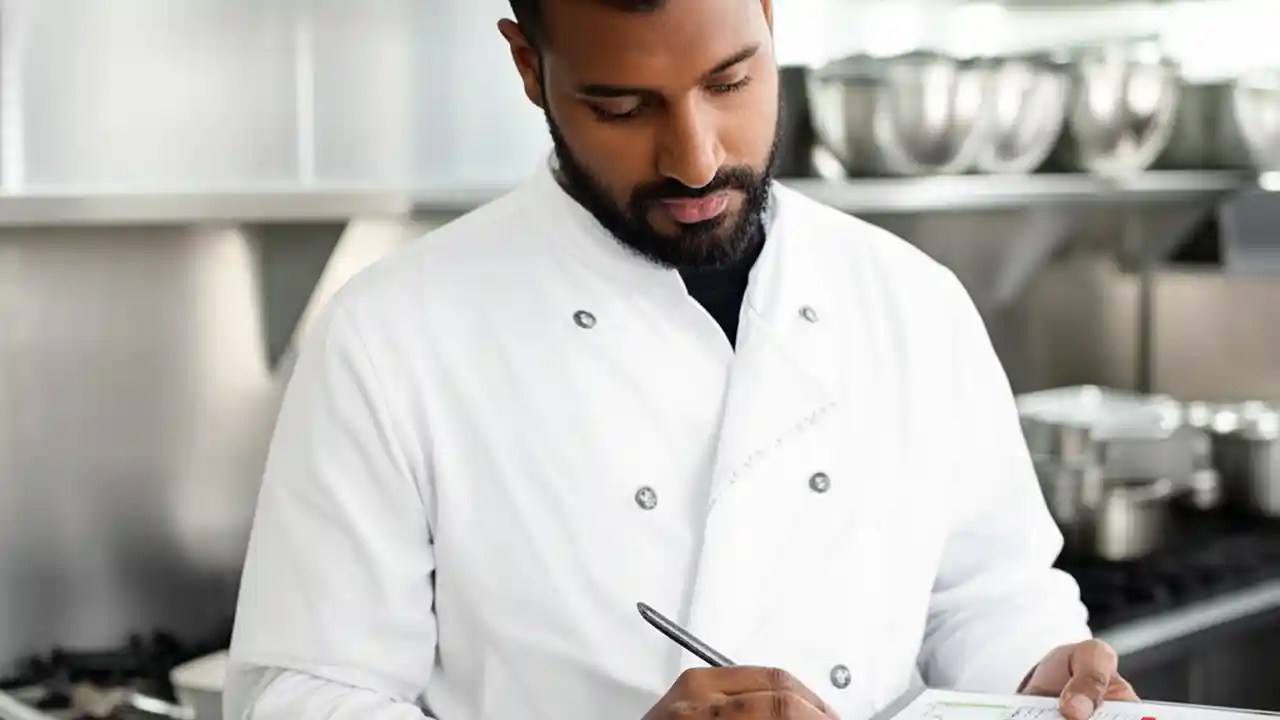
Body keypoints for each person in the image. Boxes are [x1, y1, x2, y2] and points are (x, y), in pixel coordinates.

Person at [223, 1, 1140, 718]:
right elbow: (303, 694)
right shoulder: (390, 336)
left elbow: (988, 595)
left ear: (770, 16)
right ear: (529, 67)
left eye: (731, 83)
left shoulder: (911, 300)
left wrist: (1037, 673)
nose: (696, 160)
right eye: (623, 108)